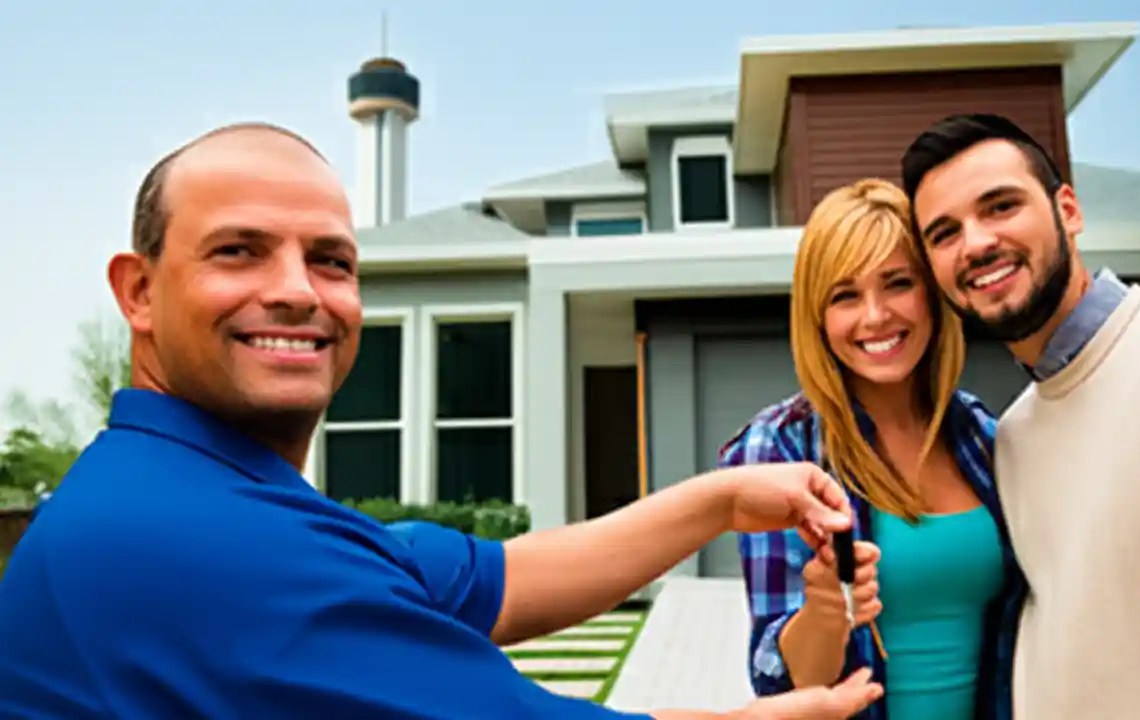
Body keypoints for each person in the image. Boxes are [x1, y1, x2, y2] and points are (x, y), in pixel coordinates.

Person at [0, 123, 886, 720]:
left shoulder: (215, 492)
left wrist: (724, 498)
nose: (298, 292)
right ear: (140, 291)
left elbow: (504, 579)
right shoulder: (182, 538)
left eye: (331, 261)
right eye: (239, 250)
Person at [900, 113, 1140, 719]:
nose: (975, 243)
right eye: (944, 234)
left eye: (1000, 206)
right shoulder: (1014, 435)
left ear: (1068, 211)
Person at [722, 179, 1026, 720]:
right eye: (845, 296)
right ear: (817, 317)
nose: (875, 316)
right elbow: (786, 687)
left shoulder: (980, 435)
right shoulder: (780, 450)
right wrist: (824, 609)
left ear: (931, 292)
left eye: (897, 284)